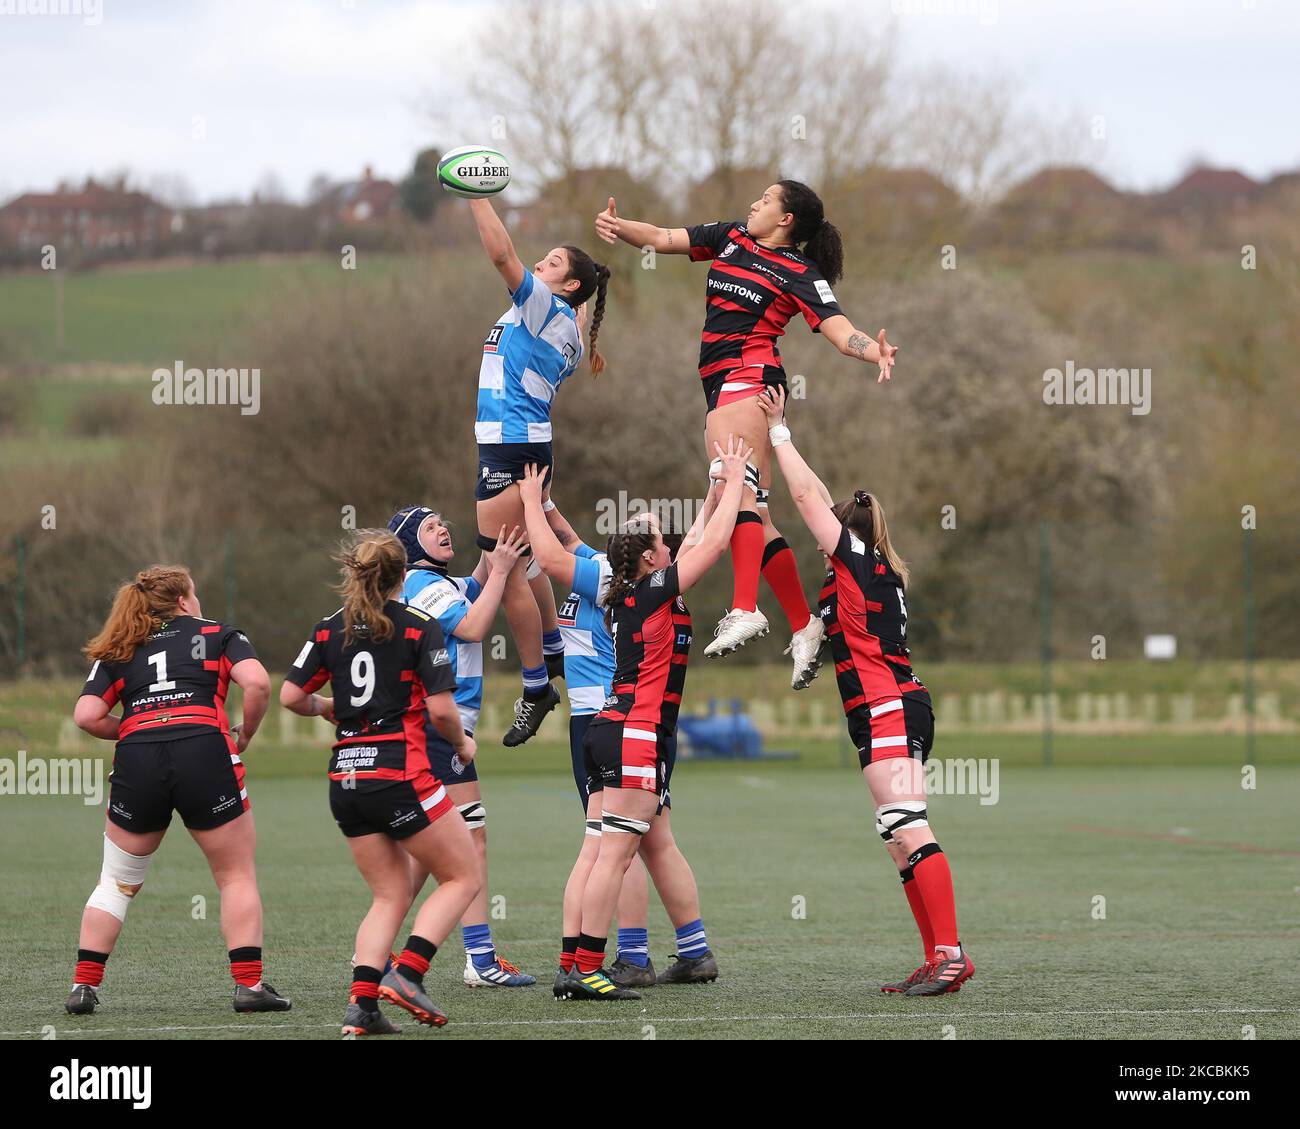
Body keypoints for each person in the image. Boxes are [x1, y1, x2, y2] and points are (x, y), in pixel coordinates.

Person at [594, 182, 897, 688]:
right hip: (720, 384)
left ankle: (745, 607)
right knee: (752, 509)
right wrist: (621, 228)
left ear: (786, 219)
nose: (754, 203)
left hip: (750, 376)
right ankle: (804, 626)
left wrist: (876, 353)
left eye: (765, 199)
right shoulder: (731, 235)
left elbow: (841, 331)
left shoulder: (800, 272)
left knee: (737, 487)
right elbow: (666, 237)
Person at [760, 386, 973, 996]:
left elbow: (808, 496)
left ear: (844, 533)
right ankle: (939, 958)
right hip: (882, 708)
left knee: (909, 827)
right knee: (895, 837)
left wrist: (779, 431)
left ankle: (952, 955)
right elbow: (810, 506)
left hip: (888, 705)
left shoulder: (857, 561)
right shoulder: (861, 571)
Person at [558, 436, 751, 1001]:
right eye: (659, 537)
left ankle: (692, 953)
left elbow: (695, 537)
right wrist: (739, 482)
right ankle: (587, 968)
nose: (670, 540)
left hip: (620, 729)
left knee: (650, 844)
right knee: (613, 856)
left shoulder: (643, 590)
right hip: (634, 733)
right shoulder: (653, 591)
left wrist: (716, 485)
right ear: (649, 557)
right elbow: (712, 546)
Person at [519, 464, 719, 991]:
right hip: (625, 723)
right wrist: (540, 501)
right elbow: (568, 542)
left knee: (610, 844)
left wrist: (525, 501)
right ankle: (682, 951)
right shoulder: (611, 570)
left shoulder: (617, 579)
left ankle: (611, 959)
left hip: (620, 721)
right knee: (643, 840)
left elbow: (554, 554)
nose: (645, 521)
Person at [281, 530, 481, 1034]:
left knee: (389, 895)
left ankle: (362, 1007)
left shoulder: (329, 628)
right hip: (399, 771)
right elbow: (440, 711)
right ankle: (408, 974)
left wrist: (327, 706)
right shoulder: (419, 625)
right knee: (464, 875)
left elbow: (289, 695)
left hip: (347, 777)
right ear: (402, 576)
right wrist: (461, 745)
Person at [67, 565, 287, 1016]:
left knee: (117, 881)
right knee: (234, 876)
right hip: (204, 749)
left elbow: (87, 716)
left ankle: (83, 988)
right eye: (196, 594)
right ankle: (249, 987)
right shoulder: (220, 635)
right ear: (185, 600)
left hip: (139, 758)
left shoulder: (120, 646)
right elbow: (259, 683)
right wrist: (244, 734)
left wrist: (133, 726)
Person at [468, 194, 612, 746]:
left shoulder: (543, 310)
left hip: (510, 448)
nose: (539, 265)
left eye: (553, 263)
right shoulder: (561, 321)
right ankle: (551, 651)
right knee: (523, 564)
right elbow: (541, 276)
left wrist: (476, 197)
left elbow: (503, 255)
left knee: (502, 568)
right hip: (518, 446)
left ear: (569, 288)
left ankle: (536, 686)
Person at [386, 505, 537, 988]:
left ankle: (374, 954)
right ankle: (480, 960)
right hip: (437, 729)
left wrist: (496, 549)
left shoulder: (439, 585)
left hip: (436, 728)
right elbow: (474, 625)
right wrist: (500, 568)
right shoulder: (418, 583)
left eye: (442, 522)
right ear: (410, 545)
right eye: (430, 527)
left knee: (428, 853)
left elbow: (475, 590)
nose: (443, 528)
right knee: (469, 843)